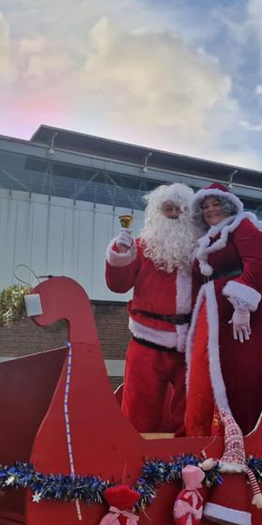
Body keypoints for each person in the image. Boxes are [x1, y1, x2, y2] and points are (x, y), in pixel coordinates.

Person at [184, 182, 262, 437]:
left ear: (227, 205)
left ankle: (244, 431)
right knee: (207, 367)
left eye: (215, 204)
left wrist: (242, 305)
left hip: (243, 308)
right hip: (214, 307)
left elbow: (254, 264)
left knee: (242, 369)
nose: (210, 210)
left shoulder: (243, 225)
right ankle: (206, 432)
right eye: (205, 206)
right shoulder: (207, 238)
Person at [106, 183, 200, 433]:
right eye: (167, 208)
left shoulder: (201, 251)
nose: (173, 214)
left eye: (180, 209)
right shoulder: (140, 247)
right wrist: (119, 255)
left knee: (192, 412)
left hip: (190, 344)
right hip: (147, 339)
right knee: (138, 410)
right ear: (157, 213)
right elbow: (118, 285)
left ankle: (192, 466)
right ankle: (135, 464)